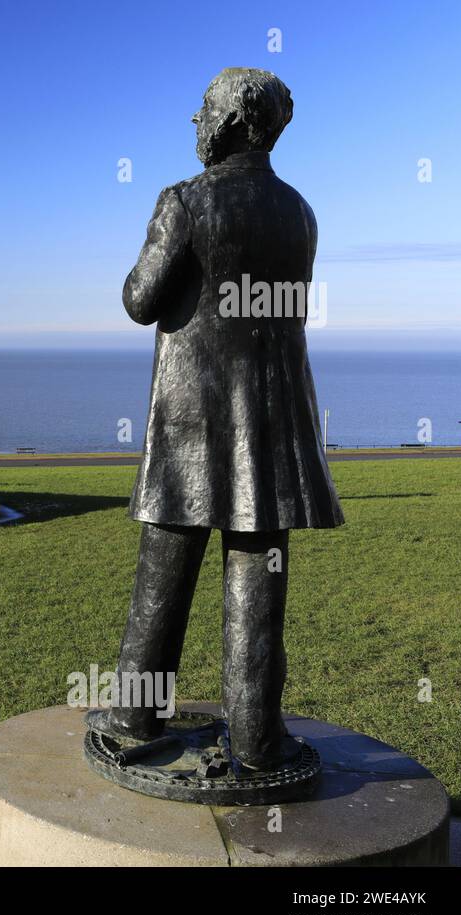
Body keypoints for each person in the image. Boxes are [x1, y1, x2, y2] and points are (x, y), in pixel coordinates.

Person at [90, 68, 343, 771]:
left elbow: (141, 299)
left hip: (191, 428)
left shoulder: (185, 200)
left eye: (204, 108)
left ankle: (136, 718)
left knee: (162, 579)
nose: (194, 119)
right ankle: (258, 741)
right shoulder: (299, 212)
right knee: (259, 579)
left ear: (234, 121)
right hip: (271, 427)